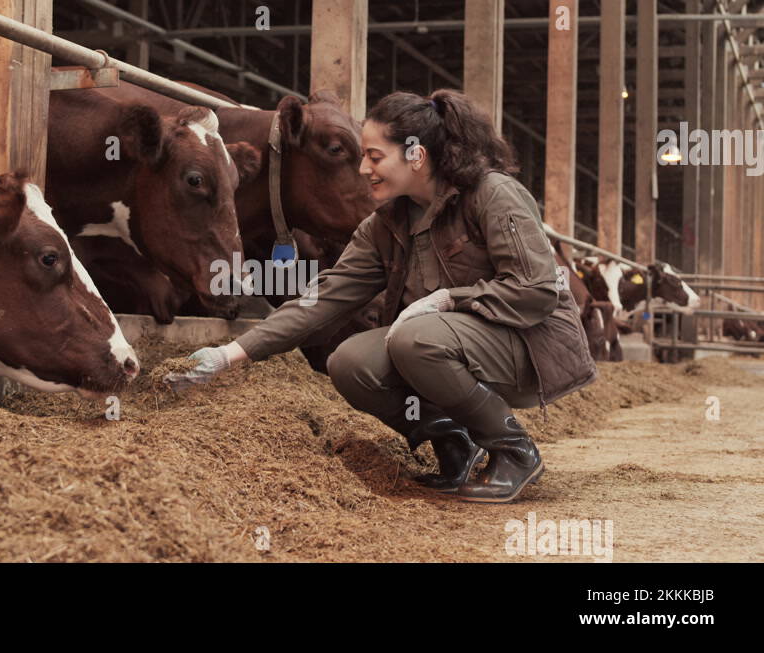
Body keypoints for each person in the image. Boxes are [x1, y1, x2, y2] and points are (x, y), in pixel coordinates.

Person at [165, 90, 597, 504]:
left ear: (416, 155)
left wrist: (451, 298)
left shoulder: (492, 194)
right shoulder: (386, 224)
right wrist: (230, 354)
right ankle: (454, 442)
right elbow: (325, 298)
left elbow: (537, 289)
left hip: (529, 347)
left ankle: (515, 450)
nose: (363, 169)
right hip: (450, 349)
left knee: (416, 339)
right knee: (351, 363)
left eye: (374, 156)